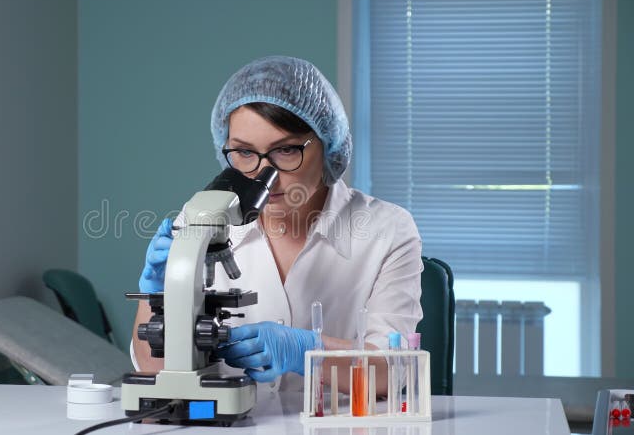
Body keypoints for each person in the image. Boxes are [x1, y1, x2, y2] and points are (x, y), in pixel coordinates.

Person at [131, 56, 423, 394]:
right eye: (243, 152)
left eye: (285, 150)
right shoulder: (201, 219)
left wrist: (309, 352)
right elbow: (152, 371)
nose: (262, 174)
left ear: (328, 143)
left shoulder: (388, 230)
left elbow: (395, 373)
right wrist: (158, 298)